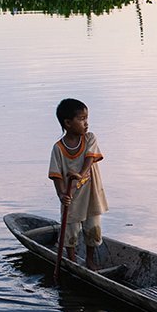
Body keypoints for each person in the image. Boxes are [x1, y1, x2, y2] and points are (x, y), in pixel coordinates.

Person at [47, 97, 108, 266]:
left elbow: (89, 160)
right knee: (70, 230)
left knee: (92, 228)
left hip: (90, 194)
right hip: (71, 196)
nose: (86, 123)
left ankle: (89, 260)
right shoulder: (58, 148)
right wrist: (61, 194)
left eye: (87, 118)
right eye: (81, 119)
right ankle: (72, 260)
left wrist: (80, 174)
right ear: (67, 123)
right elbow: (56, 175)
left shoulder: (89, 138)